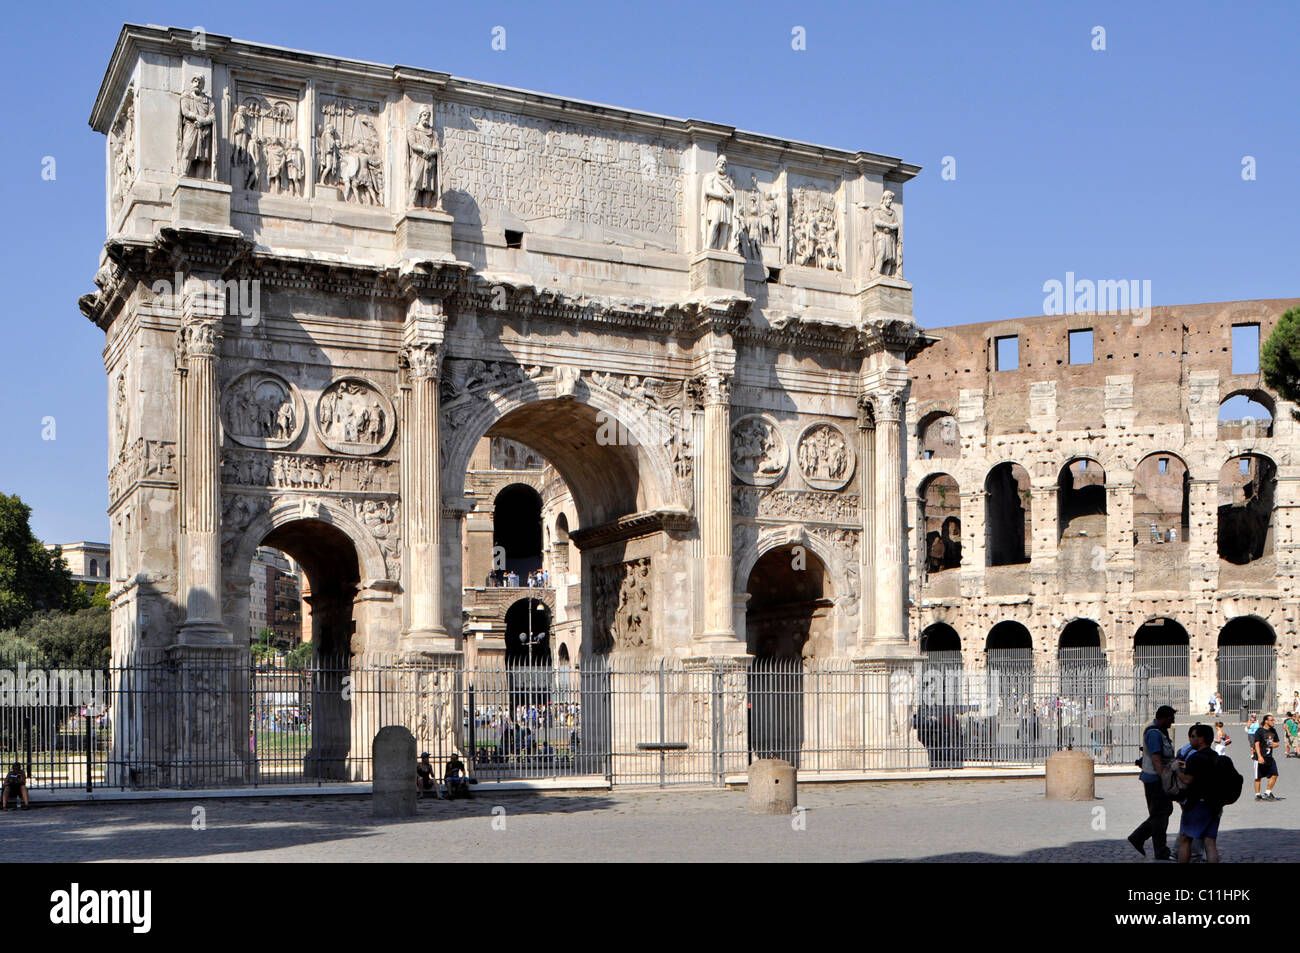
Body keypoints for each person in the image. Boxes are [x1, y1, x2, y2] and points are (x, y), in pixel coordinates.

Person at [1128, 705, 1177, 860]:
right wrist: (1165, 779)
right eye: (1171, 718)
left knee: (1163, 813)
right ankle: (1152, 845)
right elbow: (1156, 759)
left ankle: (1141, 838)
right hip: (1155, 780)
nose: (1173, 721)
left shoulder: (1159, 731)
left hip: (1156, 778)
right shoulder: (1155, 733)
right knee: (1160, 815)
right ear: (1164, 717)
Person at [1174, 724, 1222, 863]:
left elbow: (1188, 780)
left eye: (1192, 736)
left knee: (1185, 839)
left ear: (1201, 739)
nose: (1190, 739)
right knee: (1210, 841)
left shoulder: (1196, 757)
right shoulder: (1215, 756)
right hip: (1214, 803)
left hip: (1197, 804)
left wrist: (1177, 770)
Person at [1253, 713, 1281, 801]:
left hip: (1269, 757)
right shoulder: (1260, 731)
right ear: (1266, 721)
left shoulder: (1273, 731)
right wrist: (1259, 756)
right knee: (1258, 777)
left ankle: (1267, 792)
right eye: (1271, 720)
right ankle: (1257, 795)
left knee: (1275, 774)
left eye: (1273, 720)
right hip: (1260, 757)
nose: (1273, 721)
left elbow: (1277, 743)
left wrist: (1274, 744)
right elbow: (1256, 744)